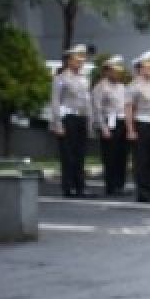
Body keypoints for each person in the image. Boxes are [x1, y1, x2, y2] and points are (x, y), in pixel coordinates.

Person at [124, 52, 150, 203]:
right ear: (140, 69)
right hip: (142, 124)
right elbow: (129, 108)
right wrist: (130, 129)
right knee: (141, 159)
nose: (149, 70)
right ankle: (142, 191)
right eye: (145, 67)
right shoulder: (134, 86)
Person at [51, 44, 93, 198]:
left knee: (80, 154)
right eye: (77, 59)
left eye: (82, 60)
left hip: (81, 118)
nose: (80, 62)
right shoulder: (61, 78)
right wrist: (58, 123)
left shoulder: (84, 78)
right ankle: (68, 187)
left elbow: (87, 100)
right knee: (68, 155)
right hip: (68, 118)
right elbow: (56, 101)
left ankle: (80, 186)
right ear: (69, 61)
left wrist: (89, 120)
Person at [91, 56, 129, 196]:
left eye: (118, 71)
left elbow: (126, 106)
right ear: (107, 72)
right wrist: (103, 127)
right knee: (110, 156)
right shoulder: (100, 87)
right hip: (108, 122)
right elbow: (97, 109)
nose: (117, 74)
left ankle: (120, 184)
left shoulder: (122, 87)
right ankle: (111, 185)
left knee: (121, 155)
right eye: (114, 71)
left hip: (121, 122)